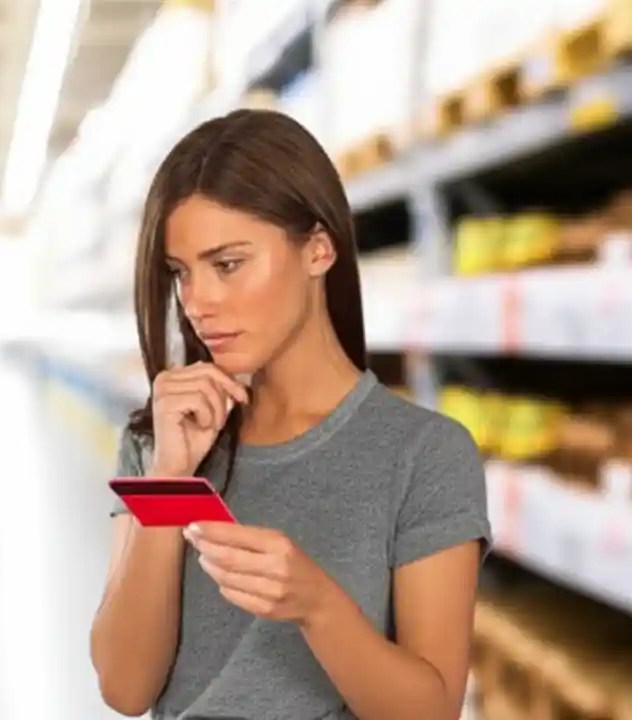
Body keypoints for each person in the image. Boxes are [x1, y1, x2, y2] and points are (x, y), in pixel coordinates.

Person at [88, 109, 490, 720]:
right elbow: (124, 687)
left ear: (318, 250)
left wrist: (316, 605)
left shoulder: (423, 454)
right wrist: (170, 475)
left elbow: (431, 712)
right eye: (180, 274)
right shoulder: (161, 440)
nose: (197, 302)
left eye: (227, 265)